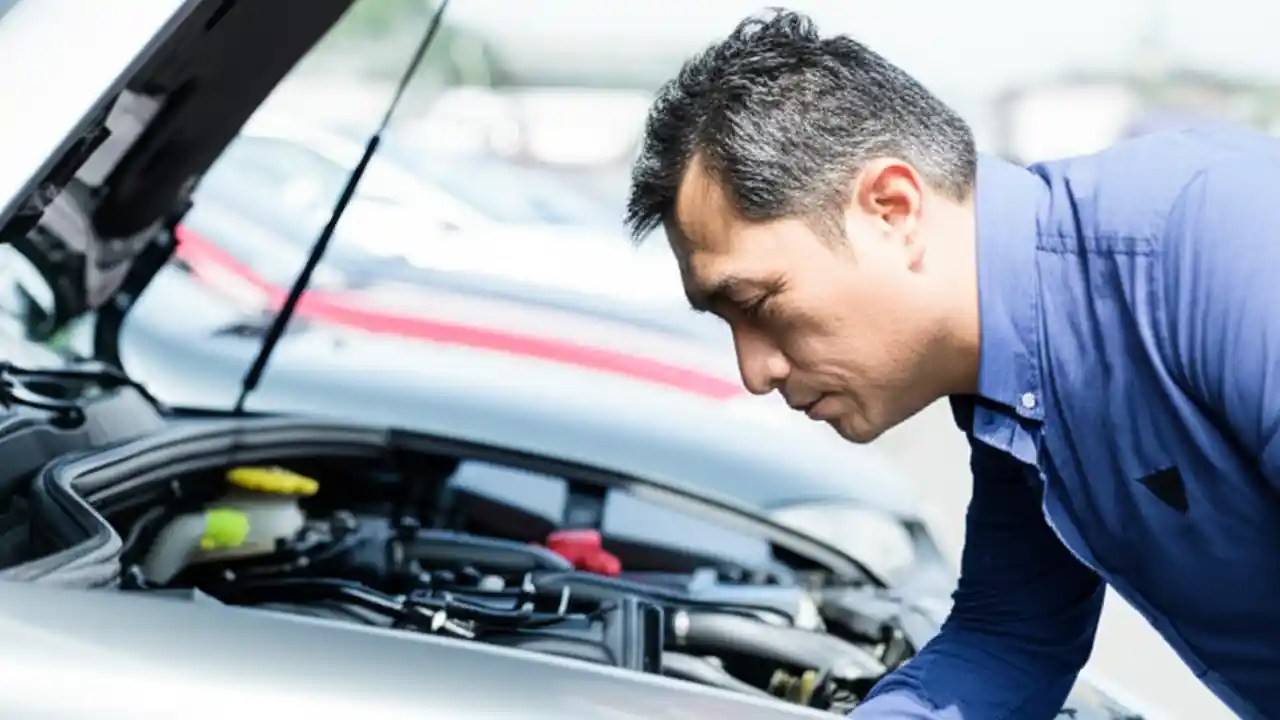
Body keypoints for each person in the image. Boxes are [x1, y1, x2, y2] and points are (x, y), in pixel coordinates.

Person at [624, 9, 1280, 720]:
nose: (755, 371)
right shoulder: (1011, 371)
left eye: (759, 303)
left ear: (893, 210)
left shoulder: (1217, 242)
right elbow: (1010, 641)